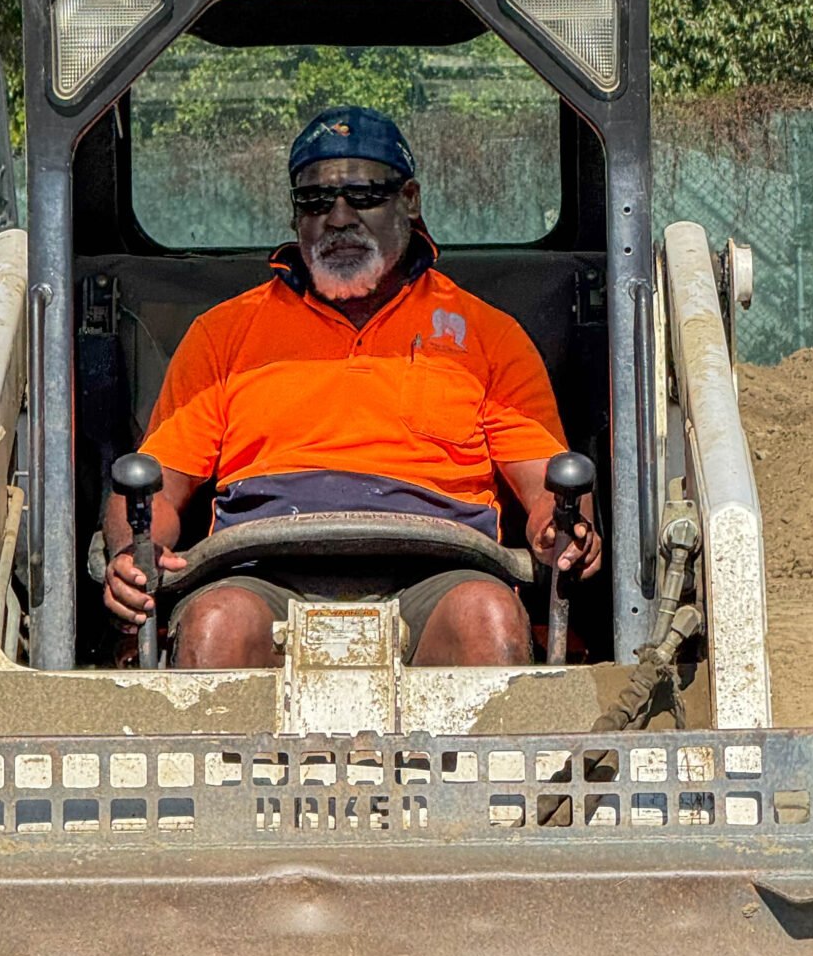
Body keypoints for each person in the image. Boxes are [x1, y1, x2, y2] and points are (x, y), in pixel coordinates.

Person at [103, 105, 599, 667]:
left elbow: (548, 489)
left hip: (439, 574)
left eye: (363, 196)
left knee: (486, 616)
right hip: (260, 573)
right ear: (296, 217)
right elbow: (154, 491)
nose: (338, 218)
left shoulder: (488, 336)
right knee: (217, 623)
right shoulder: (223, 335)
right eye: (315, 202)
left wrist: (560, 531)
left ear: (409, 200)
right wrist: (132, 554)